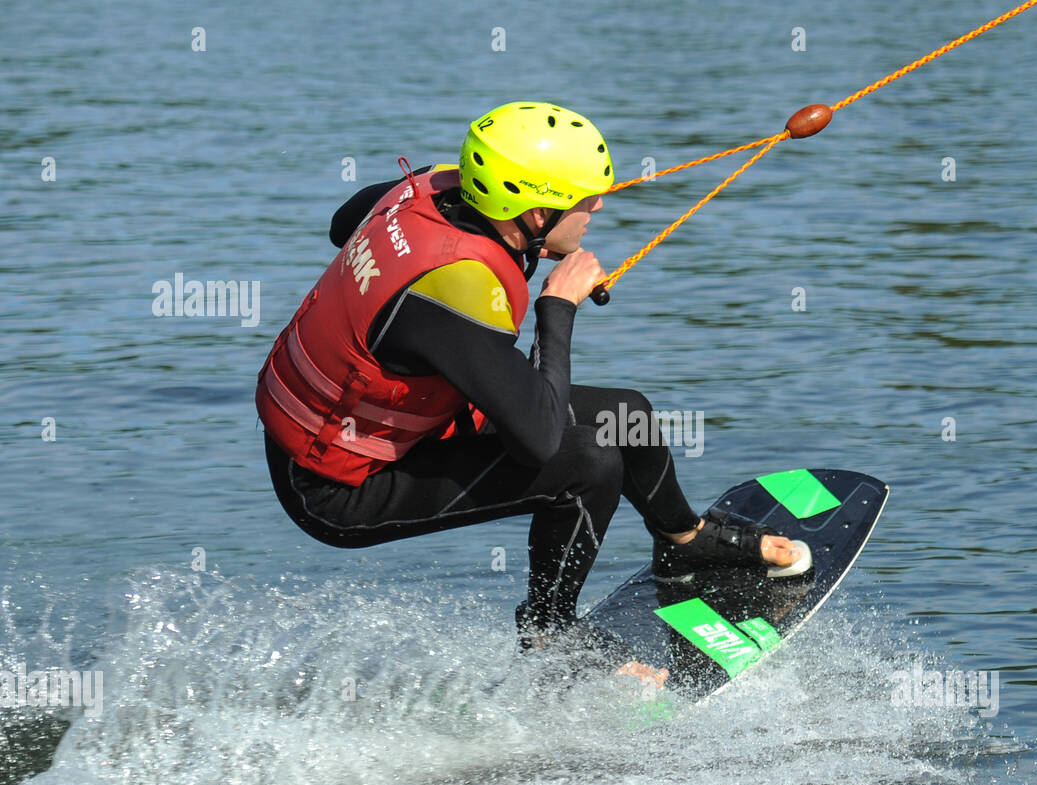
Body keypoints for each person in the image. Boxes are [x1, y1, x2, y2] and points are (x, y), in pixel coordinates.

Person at [255, 101, 806, 649]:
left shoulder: (429, 192)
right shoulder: (456, 287)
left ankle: (683, 540)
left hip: (393, 426)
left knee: (626, 416)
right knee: (588, 462)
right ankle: (549, 635)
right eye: (586, 200)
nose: (597, 209)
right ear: (536, 214)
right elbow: (539, 441)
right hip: (335, 486)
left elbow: (341, 224)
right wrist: (558, 304)